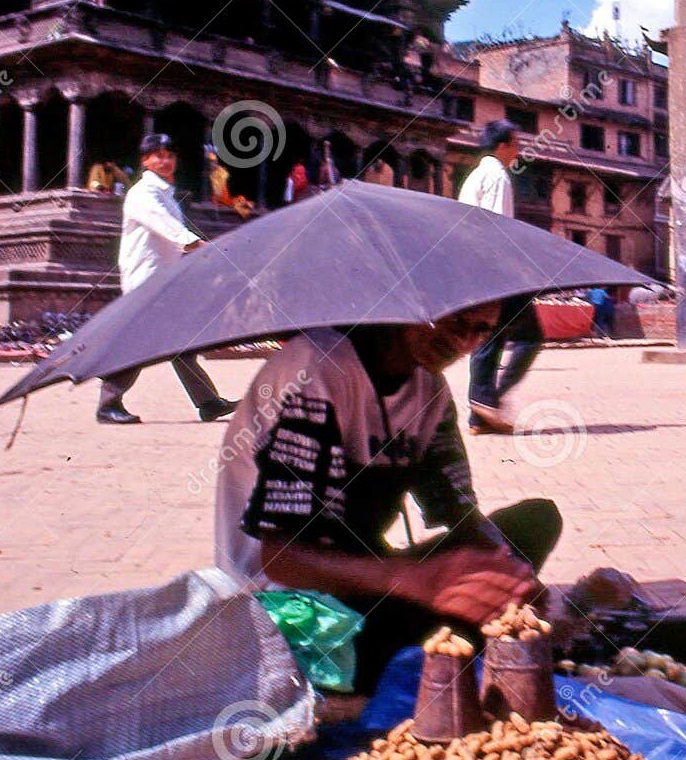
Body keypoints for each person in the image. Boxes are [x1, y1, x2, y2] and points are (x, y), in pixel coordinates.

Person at [213, 306, 558, 692]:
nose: (464, 343)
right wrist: (413, 579)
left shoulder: (431, 390)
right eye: (456, 323)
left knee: (534, 522)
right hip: (293, 610)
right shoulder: (316, 371)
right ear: (410, 306)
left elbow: (460, 515)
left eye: (480, 331)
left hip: (369, 586)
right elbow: (283, 558)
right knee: (396, 644)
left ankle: (430, 644)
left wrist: (508, 573)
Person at [97, 133, 237, 425]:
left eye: (169, 156)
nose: (165, 161)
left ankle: (208, 402)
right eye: (158, 155)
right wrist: (204, 248)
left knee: (180, 342)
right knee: (139, 342)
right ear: (145, 160)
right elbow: (169, 229)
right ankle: (108, 403)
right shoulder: (143, 194)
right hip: (145, 280)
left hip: (163, 279)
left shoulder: (165, 194)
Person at [458, 119, 542, 435]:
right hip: (496, 269)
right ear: (503, 145)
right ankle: (486, 401)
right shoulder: (497, 177)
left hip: (476, 268)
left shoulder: (475, 176)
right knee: (530, 337)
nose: (518, 151)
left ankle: (480, 415)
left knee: (489, 337)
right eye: (516, 144)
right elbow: (496, 227)